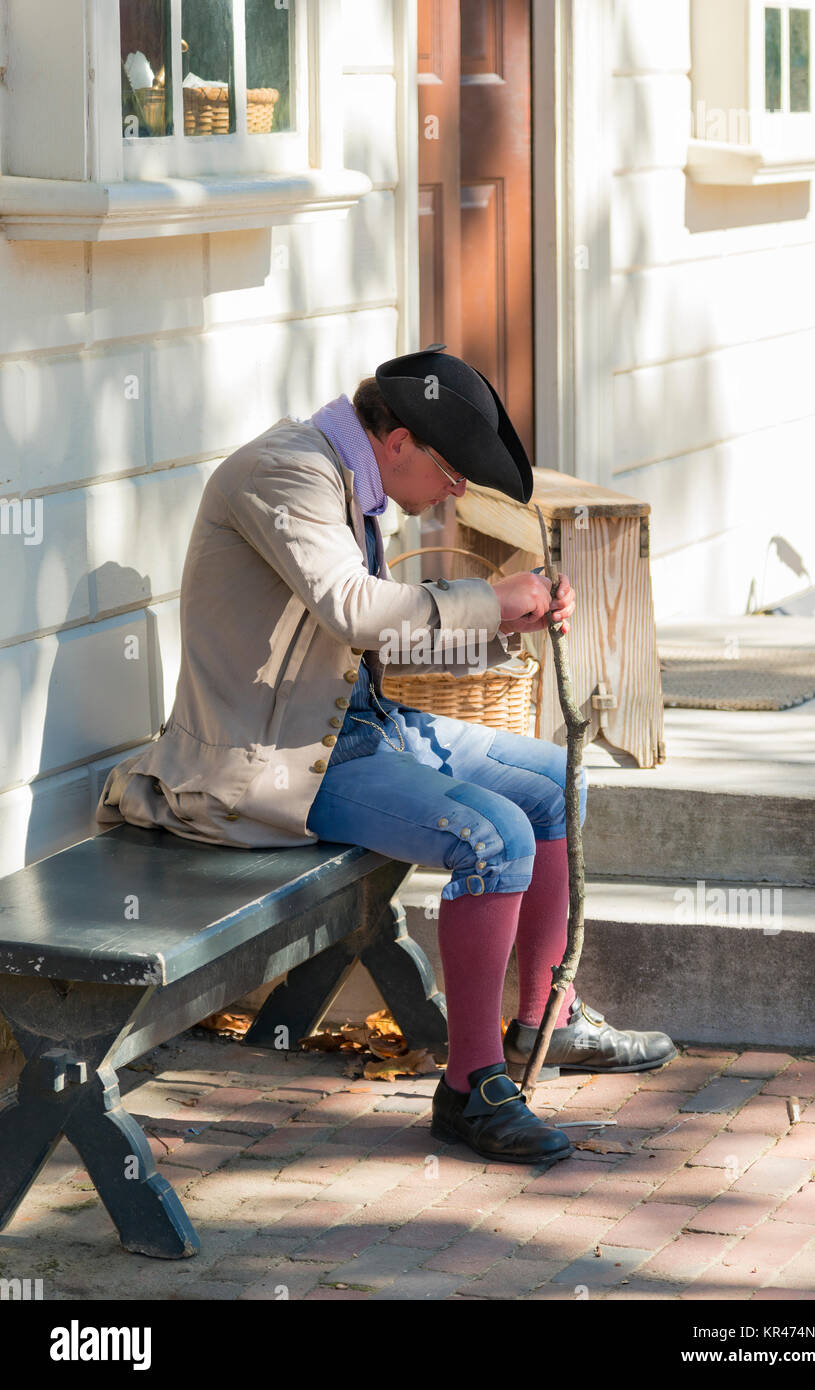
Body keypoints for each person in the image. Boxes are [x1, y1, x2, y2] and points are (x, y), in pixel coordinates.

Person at [97, 346, 676, 1165]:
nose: (458, 493)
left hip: (357, 730)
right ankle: (470, 1090)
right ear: (397, 440)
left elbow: (374, 640)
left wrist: (505, 621)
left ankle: (545, 1019)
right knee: (495, 837)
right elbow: (358, 610)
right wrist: (490, 596)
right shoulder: (284, 473)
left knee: (557, 781)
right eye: (451, 471)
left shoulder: (350, 482)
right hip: (277, 762)